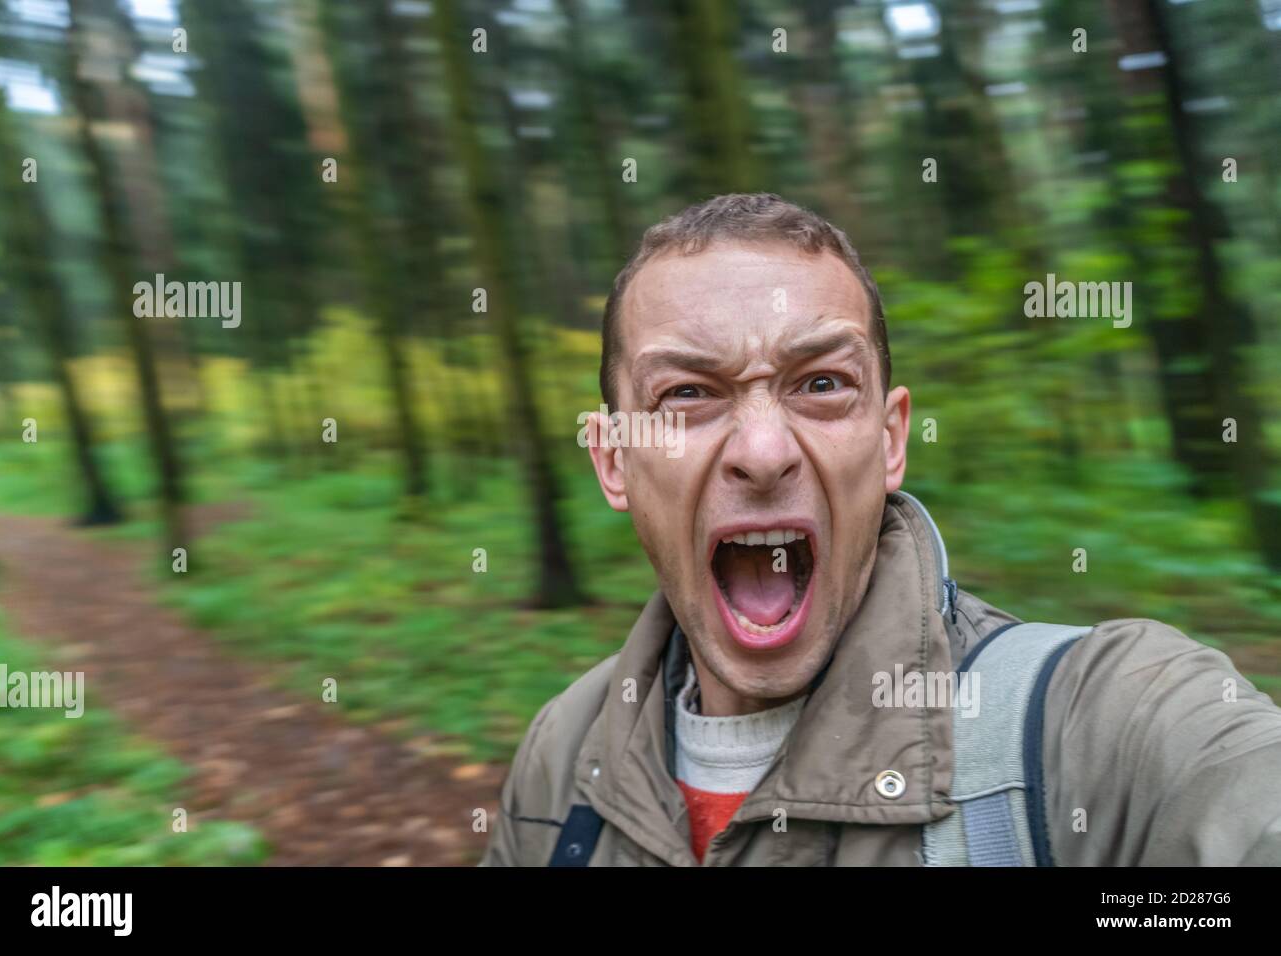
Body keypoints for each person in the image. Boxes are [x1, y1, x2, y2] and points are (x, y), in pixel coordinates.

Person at [480, 193, 1281, 867]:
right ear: (613, 458)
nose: (763, 454)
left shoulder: (1103, 725)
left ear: (892, 438)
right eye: (688, 394)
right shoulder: (563, 756)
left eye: (823, 383)